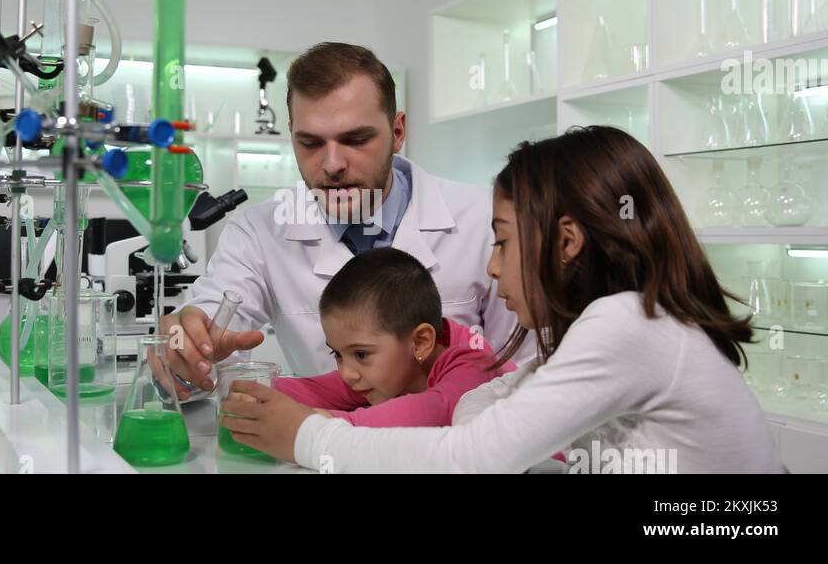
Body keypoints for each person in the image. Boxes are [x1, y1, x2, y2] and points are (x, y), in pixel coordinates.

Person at [219, 126, 785, 474]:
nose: (491, 266)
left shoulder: (627, 325)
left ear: (566, 241)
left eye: (504, 240)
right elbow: (485, 414)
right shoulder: (616, 326)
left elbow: (474, 458)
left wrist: (306, 438)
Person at [157, 42, 526, 397]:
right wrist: (185, 356)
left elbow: (525, 370)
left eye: (355, 139)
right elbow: (208, 335)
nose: (332, 164)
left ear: (397, 132)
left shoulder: (482, 220)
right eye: (311, 143)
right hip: (322, 453)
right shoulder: (257, 232)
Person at [268, 247, 515, 427]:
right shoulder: (383, 374)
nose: (347, 373)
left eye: (361, 354)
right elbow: (317, 389)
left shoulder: (473, 360)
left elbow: (434, 413)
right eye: (337, 354)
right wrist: (245, 390)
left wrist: (319, 426)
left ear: (420, 342)